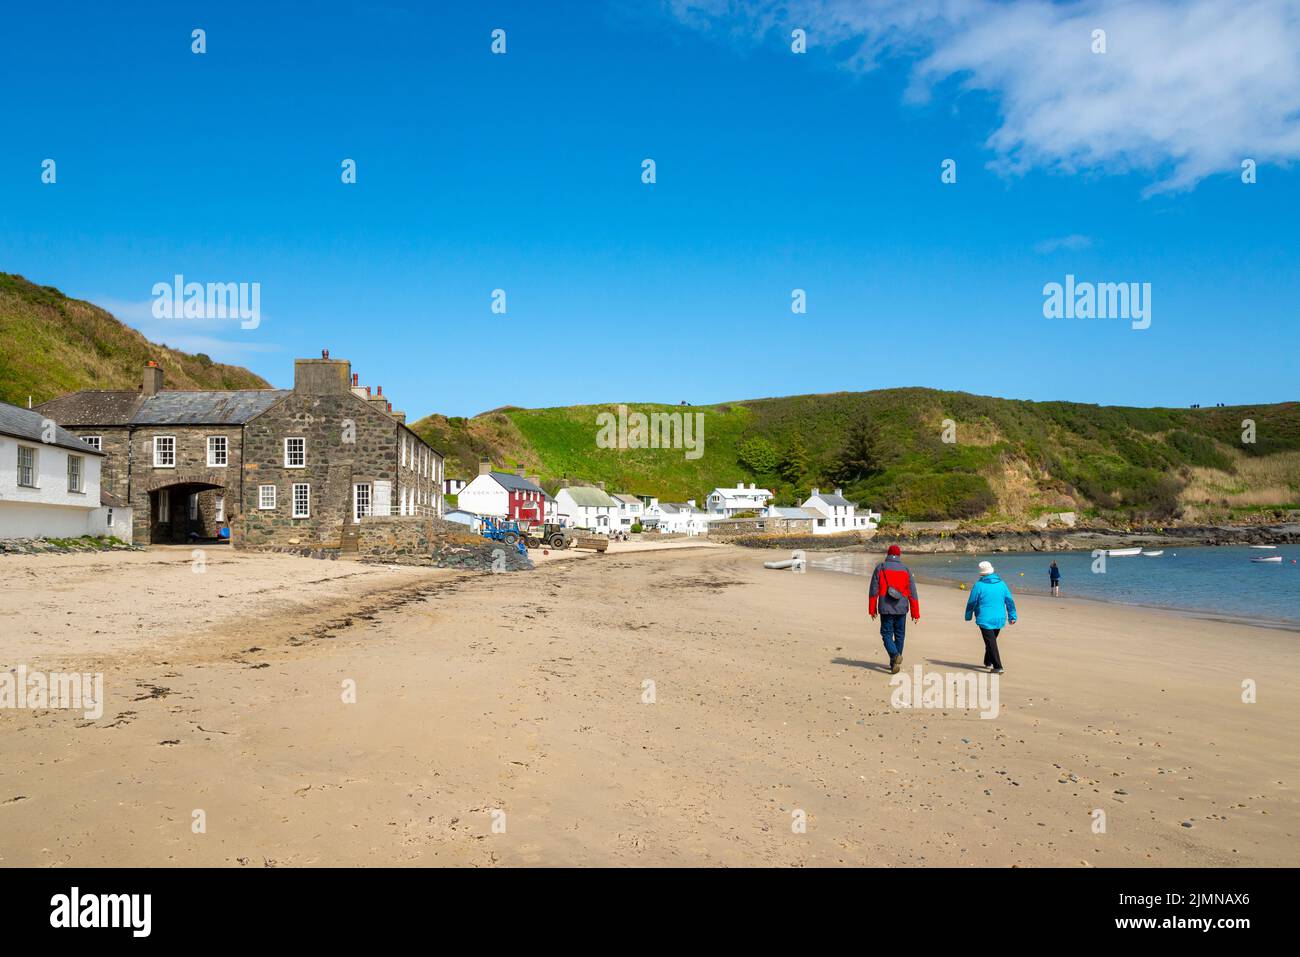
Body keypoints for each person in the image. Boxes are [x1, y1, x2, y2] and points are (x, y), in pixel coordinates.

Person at [869, 545, 920, 674]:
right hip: (902, 607)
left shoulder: (880, 567)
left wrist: (872, 609)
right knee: (900, 635)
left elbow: (873, 590)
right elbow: (912, 593)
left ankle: (895, 655)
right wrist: (915, 612)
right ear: (899, 555)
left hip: (885, 607)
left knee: (886, 634)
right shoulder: (905, 569)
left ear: (888, 554)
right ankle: (894, 663)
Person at [964, 560, 1017, 674]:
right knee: (991, 641)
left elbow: (972, 602)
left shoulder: (979, 585)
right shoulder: (1002, 584)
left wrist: (968, 615)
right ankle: (988, 661)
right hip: (999, 618)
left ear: (981, 573)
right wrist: (1012, 616)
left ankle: (998, 666)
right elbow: (1010, 601)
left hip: (985, 619)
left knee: (991, 642)